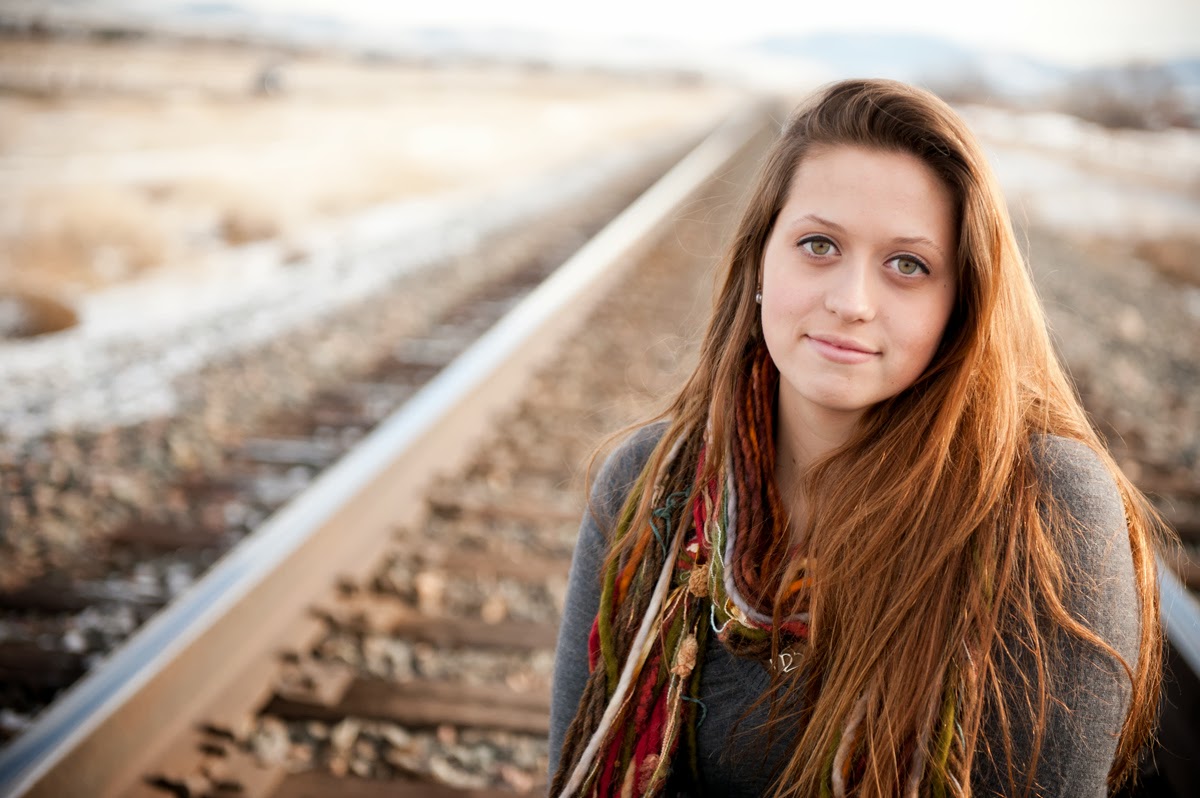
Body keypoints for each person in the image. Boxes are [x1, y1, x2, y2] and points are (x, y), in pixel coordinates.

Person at [547, 79, 1164, 797]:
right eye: (819, 245)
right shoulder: (649, 487)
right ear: (759, 261)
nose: (851, 302)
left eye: (908, 265)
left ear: (961, 303)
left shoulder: (1045, 508)